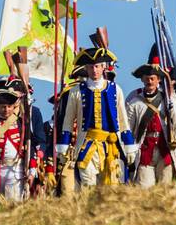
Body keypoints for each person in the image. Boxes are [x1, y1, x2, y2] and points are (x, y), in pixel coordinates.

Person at [56, 32, 137, 187]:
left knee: (111, 187)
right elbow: (67, 121)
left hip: (111, 146)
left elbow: (122, 120)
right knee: (88, 185)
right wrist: (63, 146)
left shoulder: (116, 89)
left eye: (98, 66)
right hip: (87, 145)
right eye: (91, 66)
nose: (94, 70)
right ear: (86, 68)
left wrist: (129, 144)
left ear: (103, 67)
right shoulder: (76, 92)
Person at [124, 49, 176, 187]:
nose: (149, 81)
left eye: (152, 78)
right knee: (144, 189)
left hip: (165, 150)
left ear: (158, 80)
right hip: (144, 151)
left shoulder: (168, 98)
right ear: (142, 79)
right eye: (146, 78)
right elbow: (127, 128)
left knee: (165, 191)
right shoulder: (134, 101)